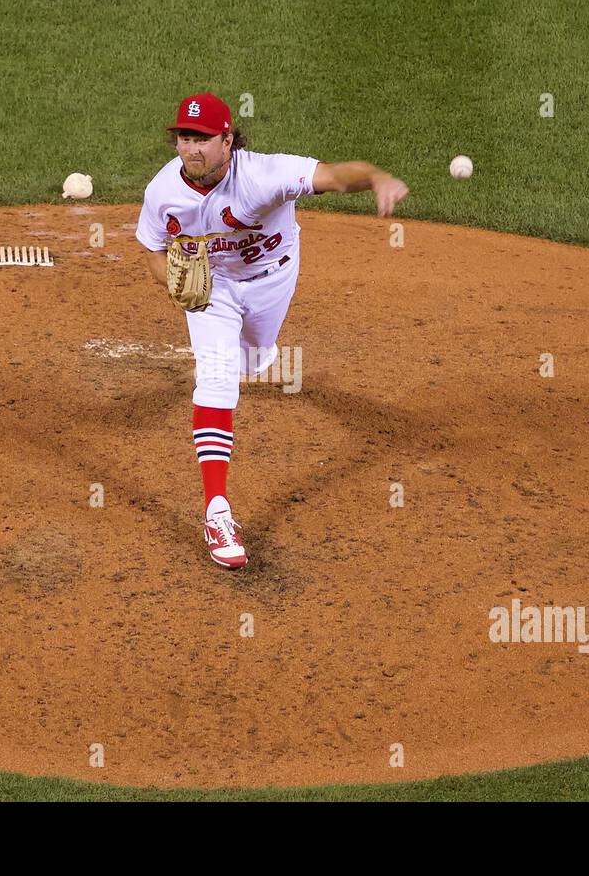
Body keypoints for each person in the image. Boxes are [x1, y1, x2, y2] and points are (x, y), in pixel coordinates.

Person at [135, 91, 408, 569]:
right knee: (218, 377)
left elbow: (334, 175)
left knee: (253, 360)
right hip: (213, 288)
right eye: (183, 138)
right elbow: (153, 252)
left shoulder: (263, 174)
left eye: (201, 139)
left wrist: (375, 176)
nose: (191, 149)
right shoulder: (162, 192)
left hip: (272, 278)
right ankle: (216, 511)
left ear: (226, 139)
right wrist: (174, 282)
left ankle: (250, 358)